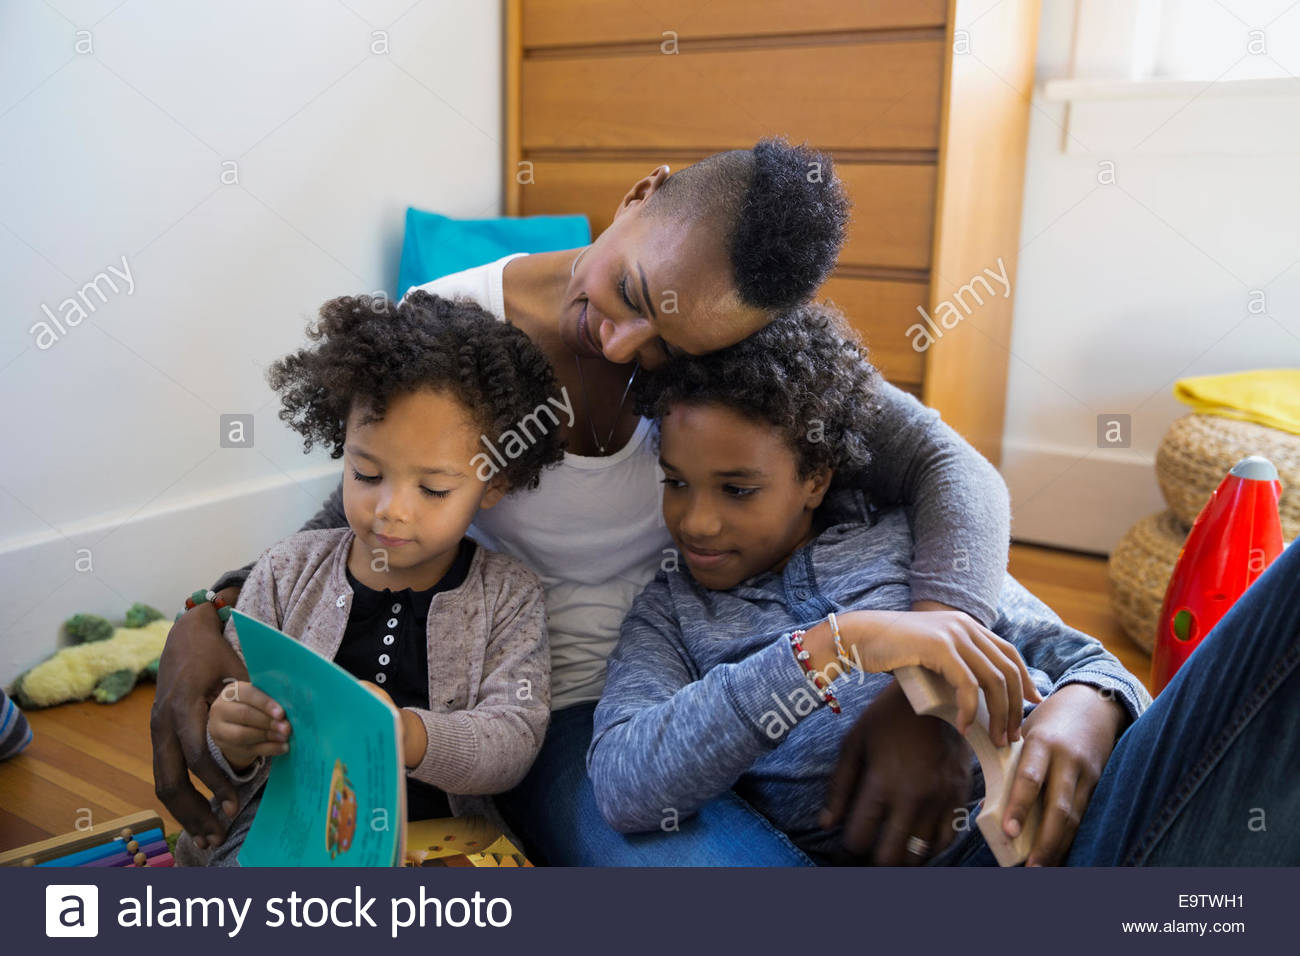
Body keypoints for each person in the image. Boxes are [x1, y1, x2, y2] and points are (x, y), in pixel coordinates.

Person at [154, 138, 1015, 866]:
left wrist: (929, 692)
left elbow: (951, 469)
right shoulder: (455, 325)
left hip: (737, 645)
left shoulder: (736, 323)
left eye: (670, 350)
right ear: (642, 196)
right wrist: (213, 610)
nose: (622, 344)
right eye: (631, 295)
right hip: (567, 712)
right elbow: (377, 513)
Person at [589, 303, 1298, 866]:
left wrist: (1092, 707)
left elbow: (1085, 660)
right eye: (676, 483)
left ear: (815, 478)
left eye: (738, 490)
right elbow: (625, 783)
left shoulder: (905, 542)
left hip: (1111, 815)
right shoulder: (672, 615)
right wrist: (833, 647)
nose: (697, 522)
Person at [174, 292, 558, 865]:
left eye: (433, 489)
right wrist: (229, 731)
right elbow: (231, 712)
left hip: (441, 842)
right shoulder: (284, 571)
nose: (391, 509)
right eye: (366, 472)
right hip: (287, 826)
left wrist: (406, 735)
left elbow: (513, 740)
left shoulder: (507, 596)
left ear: (494, 483)